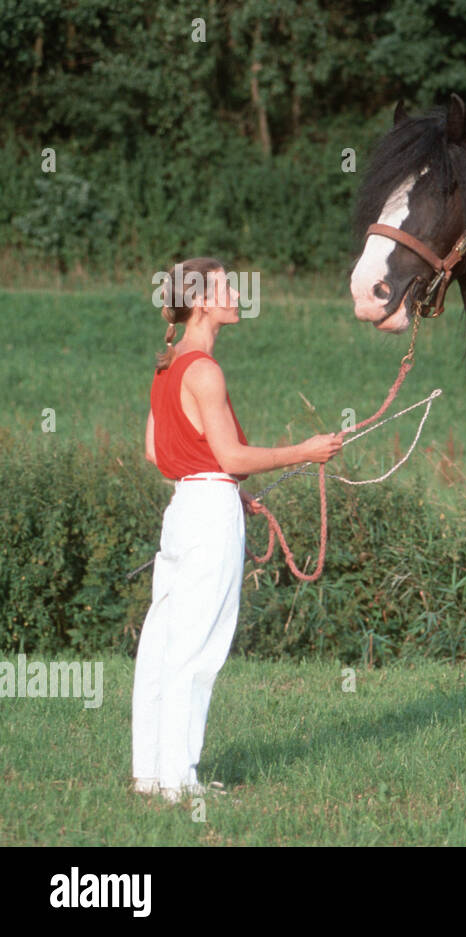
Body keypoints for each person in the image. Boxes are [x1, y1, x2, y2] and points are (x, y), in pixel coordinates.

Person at [134, 256, 342, 802]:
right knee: (197, 648)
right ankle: (179, 782)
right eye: (226, 287)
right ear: (202, 301)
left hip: (184, 507)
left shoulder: (167, 364)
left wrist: (222, 485)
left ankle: (150, 774)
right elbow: (232, 456)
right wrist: (306, 450)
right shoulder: (204, 370)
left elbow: (155, 450)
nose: (236, 295)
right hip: (208, 515)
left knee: (162, 642)